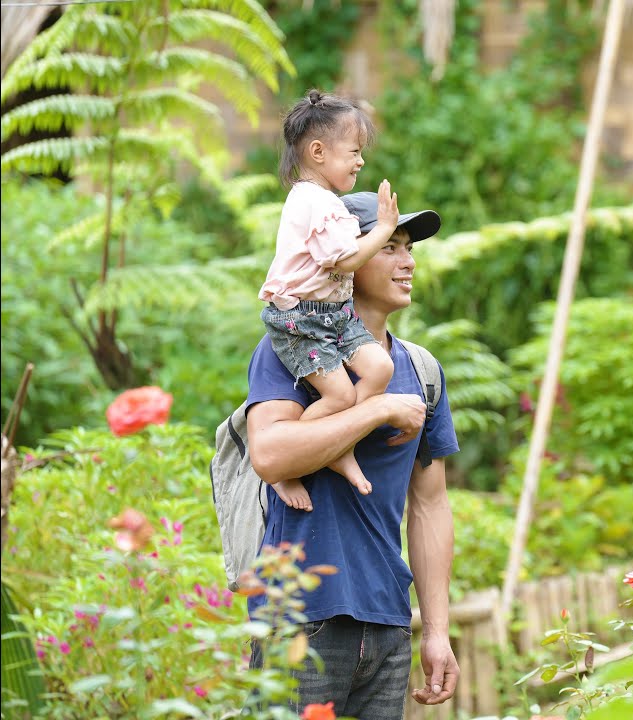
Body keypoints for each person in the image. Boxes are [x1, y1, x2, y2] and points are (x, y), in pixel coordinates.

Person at [245, 190, 459, 717]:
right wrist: (376, 410)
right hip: (301, 617)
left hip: (388, 621)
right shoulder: (292, 351)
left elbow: (430, 506)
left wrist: (436, 632)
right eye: (390, 246)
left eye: (409, 248)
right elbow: (269, 455)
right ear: (347, 258)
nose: (407, 262)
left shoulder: (422, 370)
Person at [259, 89, 402, 510]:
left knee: (379, 366)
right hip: (301, 319)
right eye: (354, 152)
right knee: (339, 395)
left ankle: (339, 443)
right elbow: (346, 259)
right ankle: (290, 466)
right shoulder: (311, 202)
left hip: (336, 315)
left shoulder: (327, 203)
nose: (360, 161)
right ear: (318, 152)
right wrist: (383, 229)